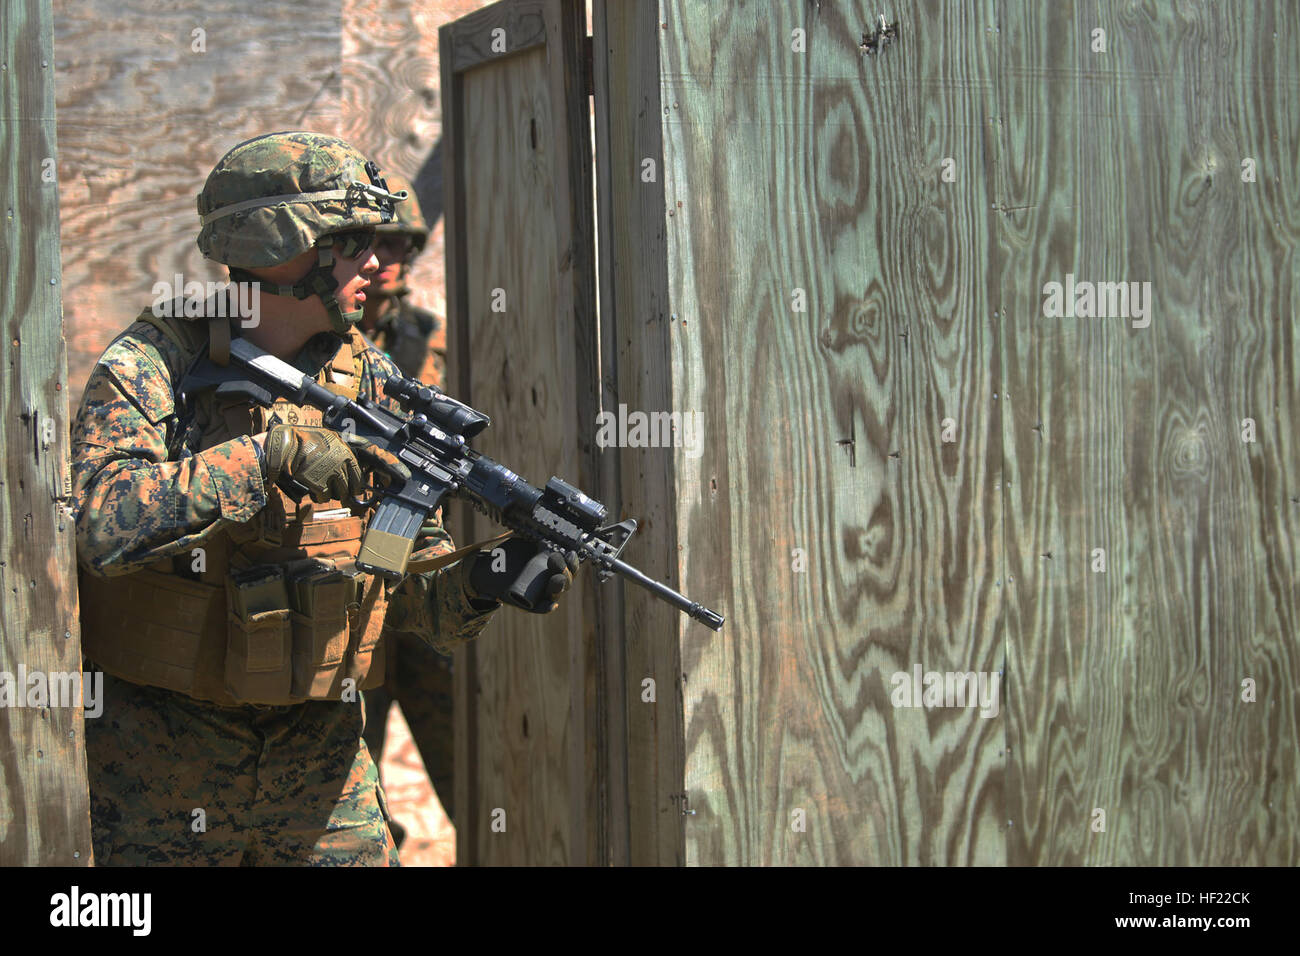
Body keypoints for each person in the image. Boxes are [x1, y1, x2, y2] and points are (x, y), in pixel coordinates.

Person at [71, 130, 577, 866]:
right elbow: (101, 526)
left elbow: (396, 579)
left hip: (320, 762)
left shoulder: (368, 379)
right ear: (280, 243)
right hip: (161, 758)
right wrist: (265, 458)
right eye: (352, 237)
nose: (377, 259)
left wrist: (481, 581)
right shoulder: (154, 362)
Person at [355, 173, 457, 843]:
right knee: (351, 774)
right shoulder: (299, 344)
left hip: (415, 577)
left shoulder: (432, 340)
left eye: (402, 245)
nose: (387, 259)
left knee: (468, 766)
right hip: (342, 585)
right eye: (374, 243)